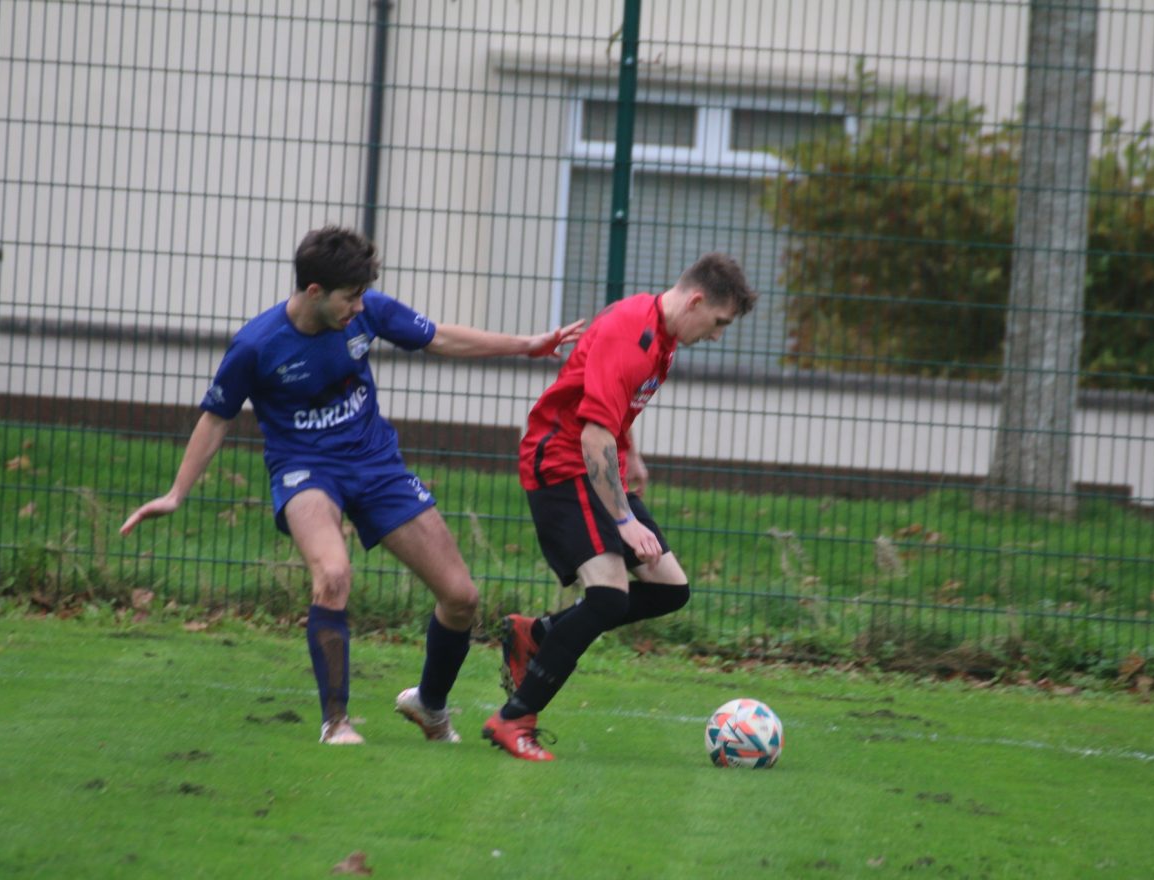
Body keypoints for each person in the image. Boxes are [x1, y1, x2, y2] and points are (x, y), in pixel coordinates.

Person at [120, 226, 583, 746]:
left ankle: (430, 706)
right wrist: (176, 492)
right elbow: (216, 417)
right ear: (314, 292)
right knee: (333, 575)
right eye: (350, 297)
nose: (360, 308)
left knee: (461, 597)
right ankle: (336, 722)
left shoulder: (368, 311)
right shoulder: (257, 345)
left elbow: (440, 337)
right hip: (305, 471)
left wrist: (527, 345)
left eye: (363, 295)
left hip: (376, 465)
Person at [483, 253, 757, 761]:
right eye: (719, 322)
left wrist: (634, 457)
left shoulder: (663, 336)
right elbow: (593, 434)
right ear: (696, 301)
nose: (718, 335)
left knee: (671, 588)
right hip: (563, 464)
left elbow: (613, 405)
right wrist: (624, 520)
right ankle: (514, 719)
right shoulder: (632, 334)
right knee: (608, 598)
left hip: (597, 461)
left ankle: (537, 634)